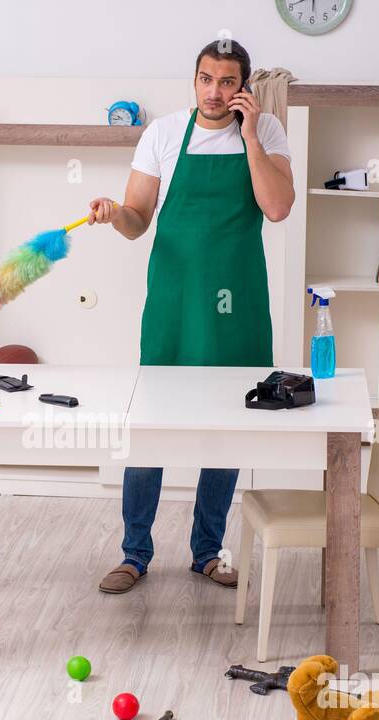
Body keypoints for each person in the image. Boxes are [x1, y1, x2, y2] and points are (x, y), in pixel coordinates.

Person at [88, 39, 295, 595]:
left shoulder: (268, 133)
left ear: (243, 88)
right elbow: (137, 221)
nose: (214, 91)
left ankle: (208, 552)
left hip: (238, 301)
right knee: (149, 426)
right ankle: (135, 553)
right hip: (175, 301)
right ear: (195, 81)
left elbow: (276, 207)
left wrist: (249, 136)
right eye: (206, 79)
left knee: (226, 429)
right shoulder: (161, 134)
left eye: (227, 81)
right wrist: (114, 215)